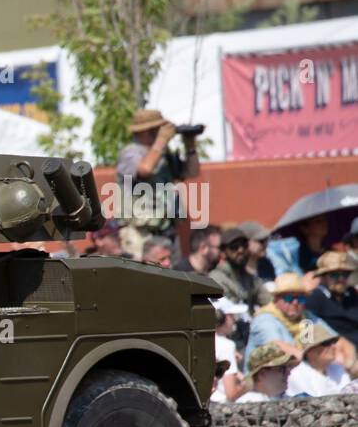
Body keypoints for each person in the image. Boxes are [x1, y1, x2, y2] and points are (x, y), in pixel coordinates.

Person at [114, 108, 201, 259]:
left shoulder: (163, 154)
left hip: (167, 232)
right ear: (145, 131)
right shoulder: (130, 152)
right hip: (140, 233)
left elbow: (192, 172)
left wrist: (190, 145)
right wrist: (161, 141)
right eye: (157, 129)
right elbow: (145, 169)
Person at [245, 273, 314, 359]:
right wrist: (312, 360)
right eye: (289, 298)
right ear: (276, 298)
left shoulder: (306, 318)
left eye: (300, 298)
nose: (295, 303)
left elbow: (312, 344)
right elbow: (279, 348)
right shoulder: (264, 320)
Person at [305, 250, 358, 346]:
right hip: (338, 353)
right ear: (323, 277)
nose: (341, 279)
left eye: (345, 274)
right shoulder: (315, 299)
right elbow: (307, 335)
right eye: (335, 275)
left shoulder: (351, 293)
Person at [210, 227, 270, 308]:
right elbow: (226, 310)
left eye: (244, 245)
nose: (240, 250)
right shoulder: (216, 278)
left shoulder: (250, 278)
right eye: (234, 247)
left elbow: (268, 301)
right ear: (223, 252)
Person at [286, 321, 348, 397]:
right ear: (310, 351)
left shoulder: (338, 368)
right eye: (326, 343)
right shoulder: (297, 375)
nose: (334, 346)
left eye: (333, 342)